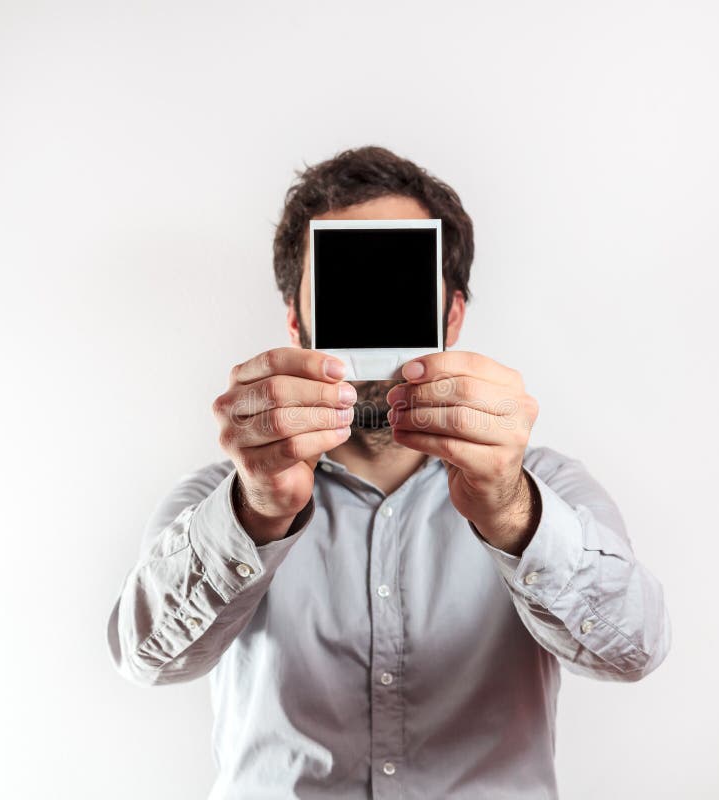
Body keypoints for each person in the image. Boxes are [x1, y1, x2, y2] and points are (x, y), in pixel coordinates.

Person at [107, 145, 671, 800]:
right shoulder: (216, 498)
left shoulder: (547, 488)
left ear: (451, 315)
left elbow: (634, 650)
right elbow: (146, 658)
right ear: (298, 318)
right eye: (348, 286)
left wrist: (514, 514)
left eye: (395, 283)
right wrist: (255, 512)